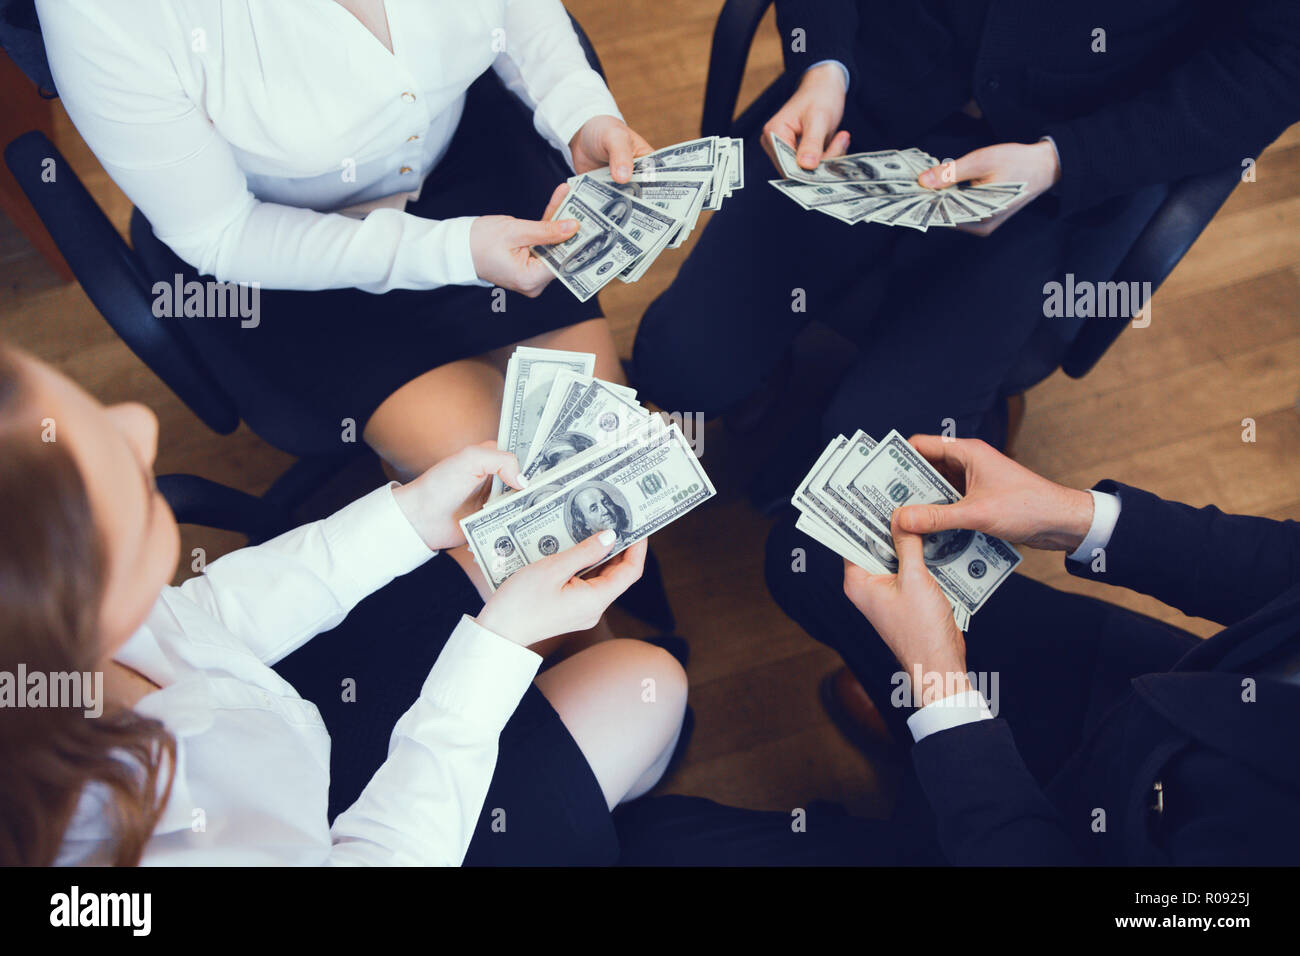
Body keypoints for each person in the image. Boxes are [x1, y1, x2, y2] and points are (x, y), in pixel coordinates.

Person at [33, 0, 653, 596]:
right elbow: (220, 231)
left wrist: (579, 109)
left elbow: (515, 10)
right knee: (489, 492)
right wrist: (453, 252)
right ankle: (575, 646)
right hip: (289, 254)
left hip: (468, 161)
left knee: (599, 452)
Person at [0, 345, 688, 865]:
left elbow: (207, 617)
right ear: (56, 614)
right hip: (377, 838)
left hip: (284, 713)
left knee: (493, 564)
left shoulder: (44, 655)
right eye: (104, 470)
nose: (139, 423)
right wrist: (496, 649)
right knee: (652, 685)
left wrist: (408, 519)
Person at [632, 0, 1300, 454]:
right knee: (676, 370)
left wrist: (1062, 163)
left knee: (880, 455)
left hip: (1062, 159)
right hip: (866, 98)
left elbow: (1276, 63)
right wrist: (824, 64)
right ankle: (766, 365)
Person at [613, 436, 1300, 865]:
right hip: (1158, 696)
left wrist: (942, 694)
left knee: (653, 847)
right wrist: (1073, 516)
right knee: (813, 547)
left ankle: (926, 763)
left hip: (1058, 844)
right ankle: (924, 750)